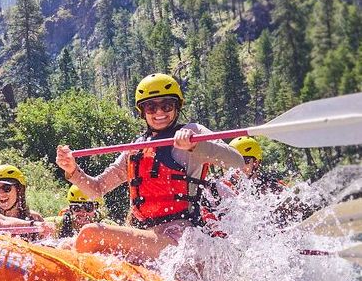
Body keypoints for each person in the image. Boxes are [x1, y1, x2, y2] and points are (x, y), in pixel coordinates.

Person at [55, 72, 245, 263]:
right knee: (65, 246)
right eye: (151, 107)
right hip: (149, 235)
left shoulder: (192, 132)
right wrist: (72, 170)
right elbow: (97, 189)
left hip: (182, 239)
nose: (159, 112)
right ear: (142, 111)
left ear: (177, 106)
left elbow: (237, 161)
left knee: (91, 234)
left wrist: (195, 145)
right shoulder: (137, 148)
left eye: (166, 105)